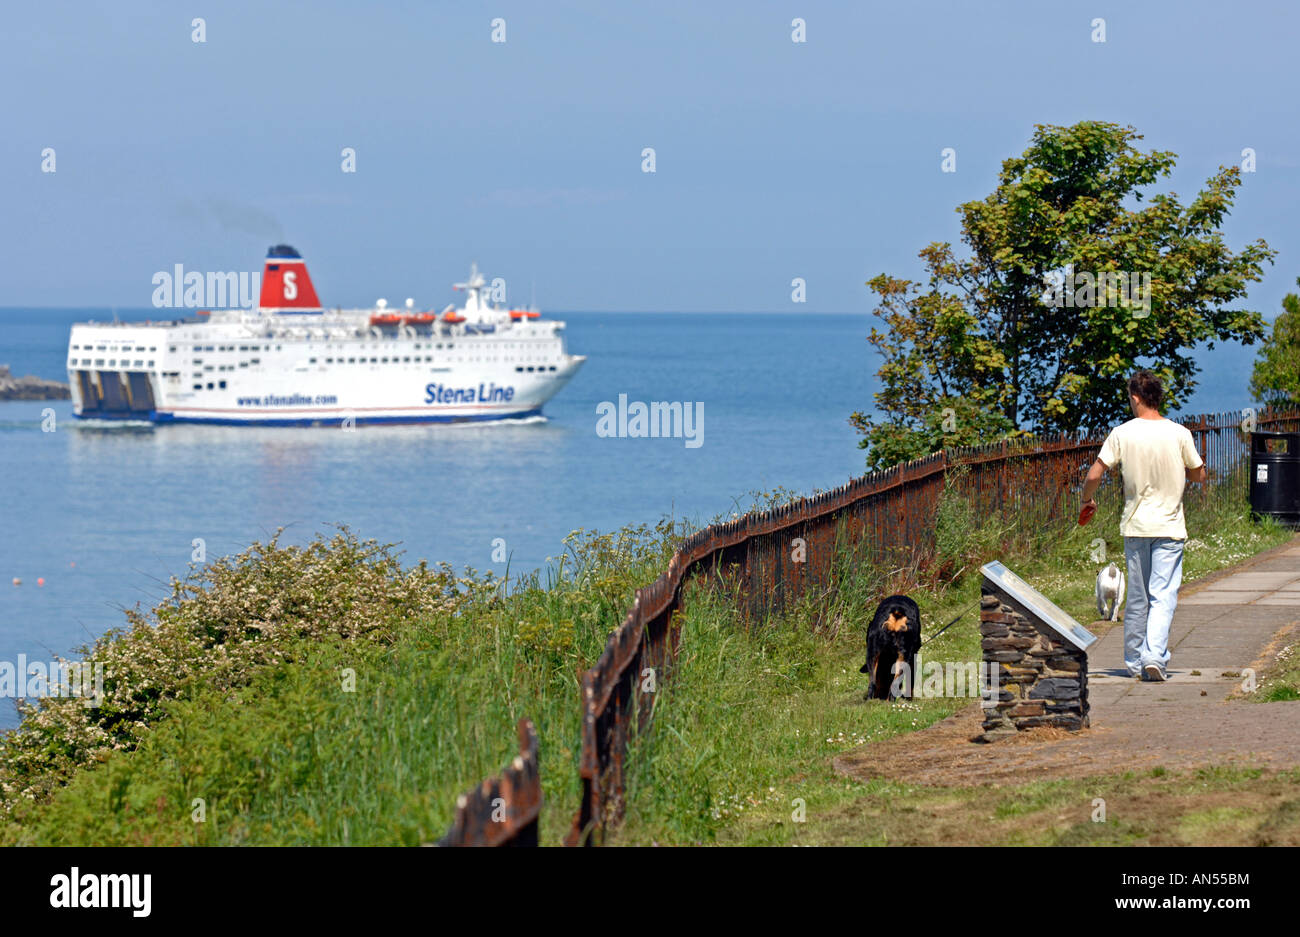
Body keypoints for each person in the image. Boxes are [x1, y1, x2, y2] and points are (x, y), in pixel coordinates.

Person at [1079, 370, 1207, 681]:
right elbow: (1199, 474)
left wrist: (1087, 500)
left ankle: (1135, 662)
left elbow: (1095, 474)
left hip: (1136, 528)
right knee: (1163, 595)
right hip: (1170, 527)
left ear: (1136, 398)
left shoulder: (1122, 433)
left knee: (1138, 597)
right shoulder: (1179, 434)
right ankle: (1155, 656)